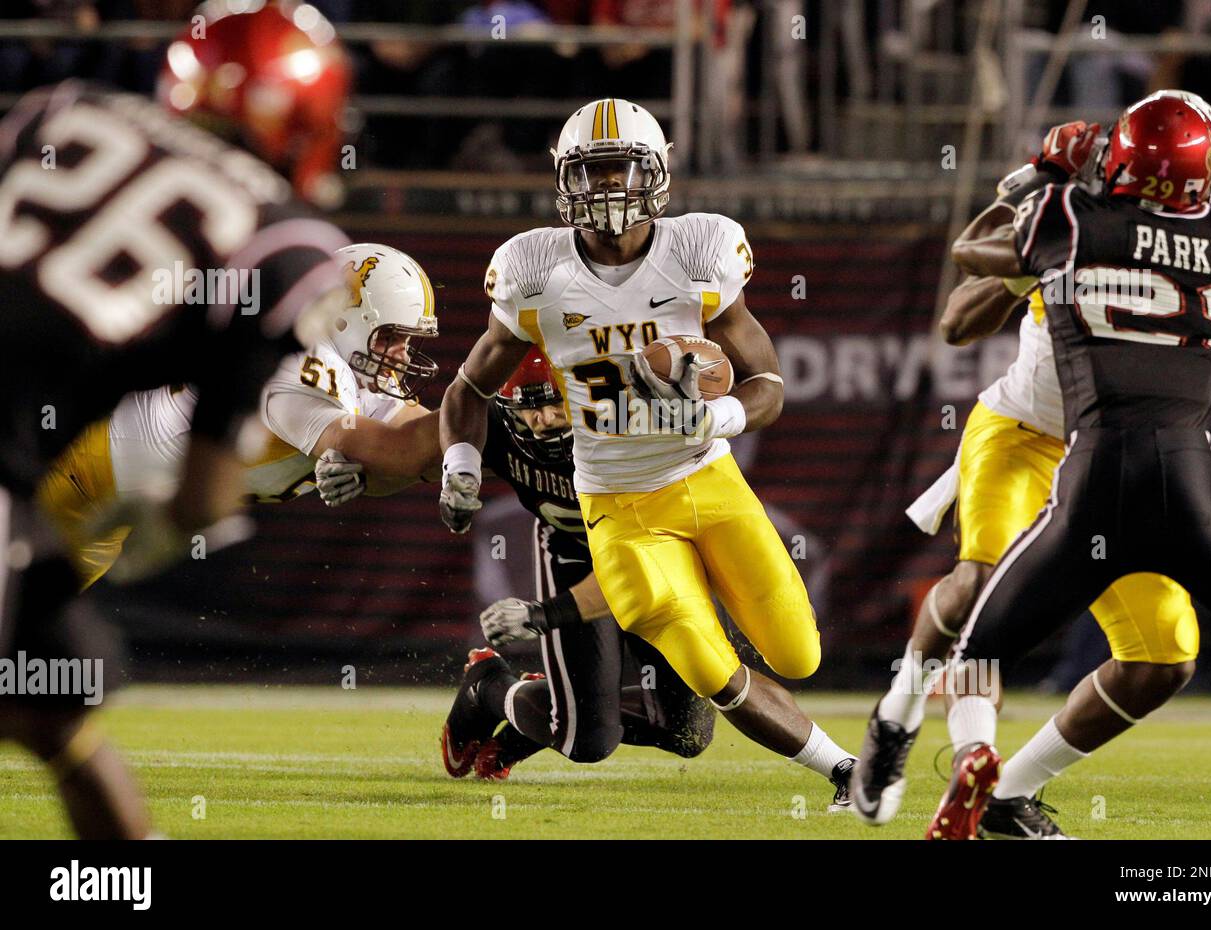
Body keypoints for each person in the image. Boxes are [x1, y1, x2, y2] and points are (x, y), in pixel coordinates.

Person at [850, 93, 1211, 838]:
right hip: (1026, 433)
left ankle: (1005, 796)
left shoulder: (1207, 231)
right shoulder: (1074, 214)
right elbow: (956, 322)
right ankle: (905, 723)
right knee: (981, 584)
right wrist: (1028, 251)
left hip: (1121, 462)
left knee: (1163, 658)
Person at [435, 97, 857, 809]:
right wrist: (461, 467)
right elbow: (468, 385)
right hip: (618, 505)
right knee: (706, 665)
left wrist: (716, 415)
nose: (606, 189)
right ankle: (847, 771)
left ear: (656, 173)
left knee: (798, 653)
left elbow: (770, 385)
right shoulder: (534, 270)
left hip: (707, 480)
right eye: (591, 173)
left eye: (620, 170)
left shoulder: (699, 252)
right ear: (566, 179)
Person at [0, 0, 354, 838]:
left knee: (52, 708)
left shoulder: (61, 107)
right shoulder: (282, 241)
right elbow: (203, 497)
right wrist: (152, 531)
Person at [37, 243, 444, 589]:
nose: (401, 355)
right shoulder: (306, 356)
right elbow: (391, 449)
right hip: (81, 466)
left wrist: (490, 426)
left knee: (28, 619)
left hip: (116, 493)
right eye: (391, 336)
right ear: (346, 319)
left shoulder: (358, 385)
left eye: (408, 341)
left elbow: (425, 444)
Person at [433, 349, 716, 778]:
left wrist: (544, 615)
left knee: (686, 729)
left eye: (553, 402)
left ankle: (517, 702)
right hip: (571, 552)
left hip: (648, 557)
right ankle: (493, 687)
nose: (542, 419)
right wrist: (358, 460)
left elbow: (632, 574)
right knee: (586, 741)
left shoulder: (634, 429)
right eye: (528, 407)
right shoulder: (492, 423)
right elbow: (425, 429)